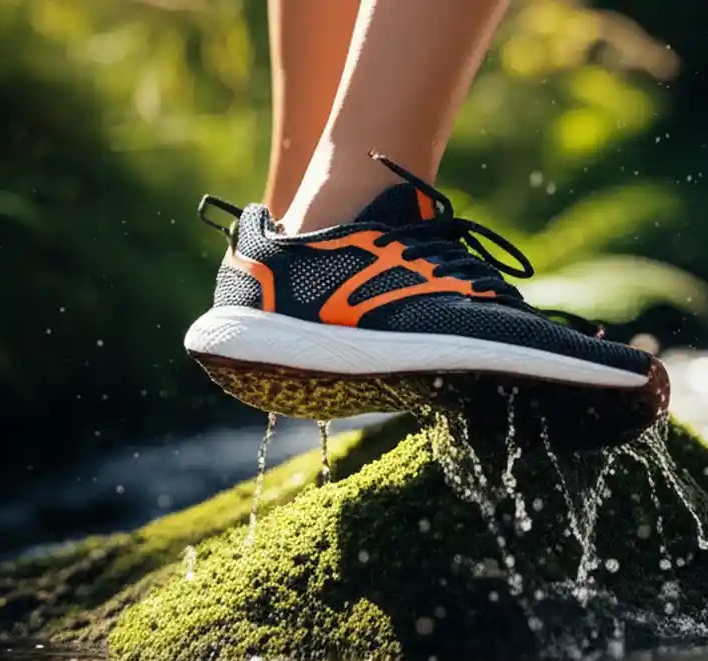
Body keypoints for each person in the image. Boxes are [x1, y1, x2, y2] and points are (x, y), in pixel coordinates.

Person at [183, 0, 667, 447]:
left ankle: (290, 231)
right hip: (331, 260)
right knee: (340, 210)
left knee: (299, 217)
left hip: (275, 275)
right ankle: (344, 221)